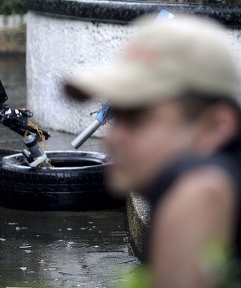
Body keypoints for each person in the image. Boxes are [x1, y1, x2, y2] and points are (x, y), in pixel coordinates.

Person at [65, 15, 241, 288]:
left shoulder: (201, 191)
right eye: (117, 117)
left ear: (216, 126)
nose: (114, 138)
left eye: (136, 118)